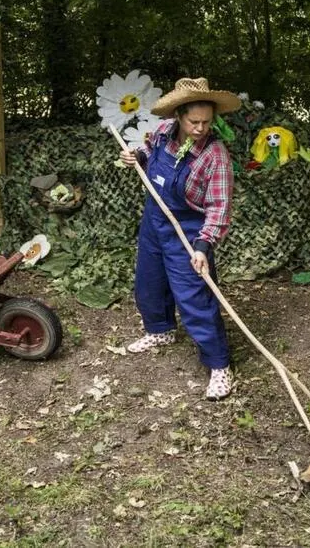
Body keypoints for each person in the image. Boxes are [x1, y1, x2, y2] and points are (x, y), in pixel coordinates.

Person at [119, 77, 239, 400]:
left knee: (194, 296)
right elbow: (147, 150)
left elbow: (219, 208)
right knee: (149, 282)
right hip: (154, 221)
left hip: (187, 231)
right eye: (193, 121)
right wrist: (136, 157)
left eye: (206, 122)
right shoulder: (161, 133)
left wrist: (203, 246)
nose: (200, 128)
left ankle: (219, 365)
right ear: (179, 117)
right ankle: (160, 330)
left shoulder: (216, 156)